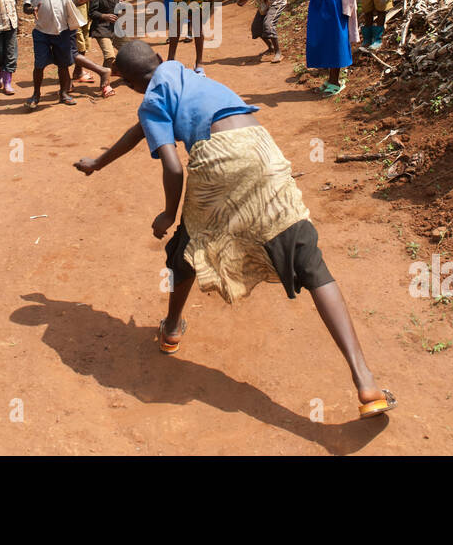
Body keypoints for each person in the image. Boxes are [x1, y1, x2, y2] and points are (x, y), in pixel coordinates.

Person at [73, 40, 397, 420]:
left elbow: (174, 166)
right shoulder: (186, 73)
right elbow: (141, 130)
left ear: (131, 85)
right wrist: (99, 161)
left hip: (220, 157)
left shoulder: (149, 101)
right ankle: (366, 382)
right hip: (260, 147)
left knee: (187, 247)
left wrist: (166, 213)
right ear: (160, 60)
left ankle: (172, 329)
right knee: (310, 263)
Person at [22, 0, 82, 109]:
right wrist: (32, 9)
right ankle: (36, 94)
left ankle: (63, 93)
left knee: (63, 65)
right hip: (42, 31)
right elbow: (26, 7)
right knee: (39, 65)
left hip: (62, 30)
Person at [88, 0, 126, 74]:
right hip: (101, 28)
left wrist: (121, 4)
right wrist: (104, 16)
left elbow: (116, 5)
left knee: (128, 50)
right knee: (109, 56)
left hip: (115, 26)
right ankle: (105, 84)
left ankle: (116, 69)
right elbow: (92, 13)